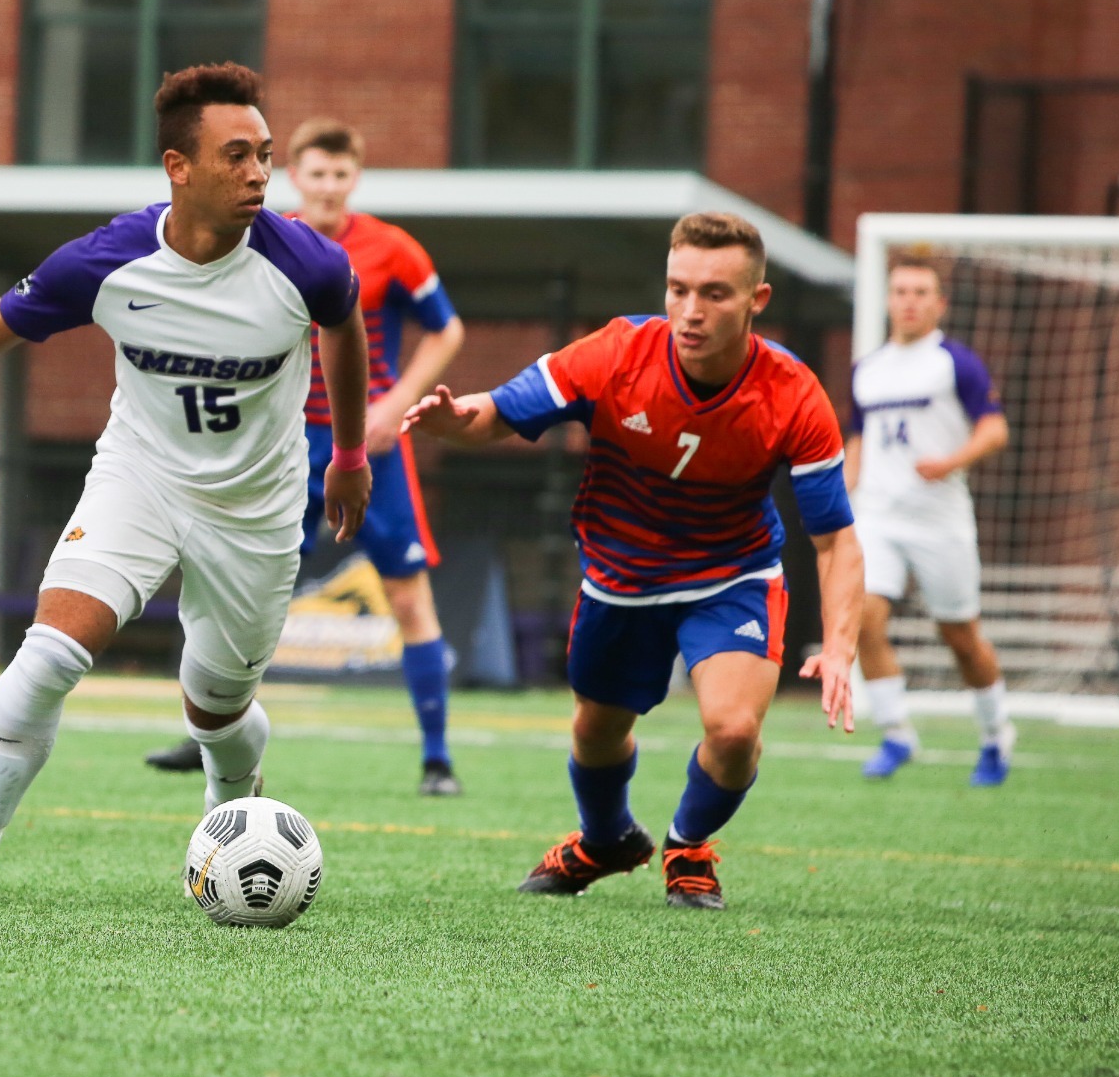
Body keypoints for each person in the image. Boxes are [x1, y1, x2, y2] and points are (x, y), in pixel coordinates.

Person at [0, 63, 371, 901]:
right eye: (238, 155)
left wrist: (347, 454)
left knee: (215, 708)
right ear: (178, 167)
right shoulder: (109, 260)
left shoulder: (307, 261)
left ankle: (231, 812)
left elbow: (345, 326)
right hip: (141, 480)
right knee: (45, 658)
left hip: (256, 505)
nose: (261, 173)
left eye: (266, 154)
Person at [402, 212, 863, 911]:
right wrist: (453, 420)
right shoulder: (617, 352)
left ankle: (688, 844)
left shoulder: (794, 395)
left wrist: (838, 645)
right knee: (596, 728)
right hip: (621, 573)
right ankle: (606, 837)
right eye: (679, 289)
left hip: (731, 574)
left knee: (735, 730)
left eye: (715, 293)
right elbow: (496, 410)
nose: (691, 309)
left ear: (756, 301)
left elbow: (835, 538)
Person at [142, 117, 467, 795]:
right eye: (315, 173)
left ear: (355, 177)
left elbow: (448, 330)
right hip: (281, 444)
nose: (327, 186)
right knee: (233, 586)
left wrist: (394, 403)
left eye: (340, 174)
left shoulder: (394, 249)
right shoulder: (266, 239)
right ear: (294, 175)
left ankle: (437, 758)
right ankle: (208, 731)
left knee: (407, 596)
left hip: (368, 446)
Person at [846, 259, 1013, 785]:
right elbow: (857, 441)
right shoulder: (866, 369)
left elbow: (994, 429)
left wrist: (951, 461)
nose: (909, 300)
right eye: (900, 290)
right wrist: (841, 501)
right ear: (888, 299)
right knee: (863, 620)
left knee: (960, 636)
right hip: (878, 515)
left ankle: (995, 734)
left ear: (939, 303)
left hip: (940, 519)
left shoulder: (955, 363)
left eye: (921, 291)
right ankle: (896, 733)